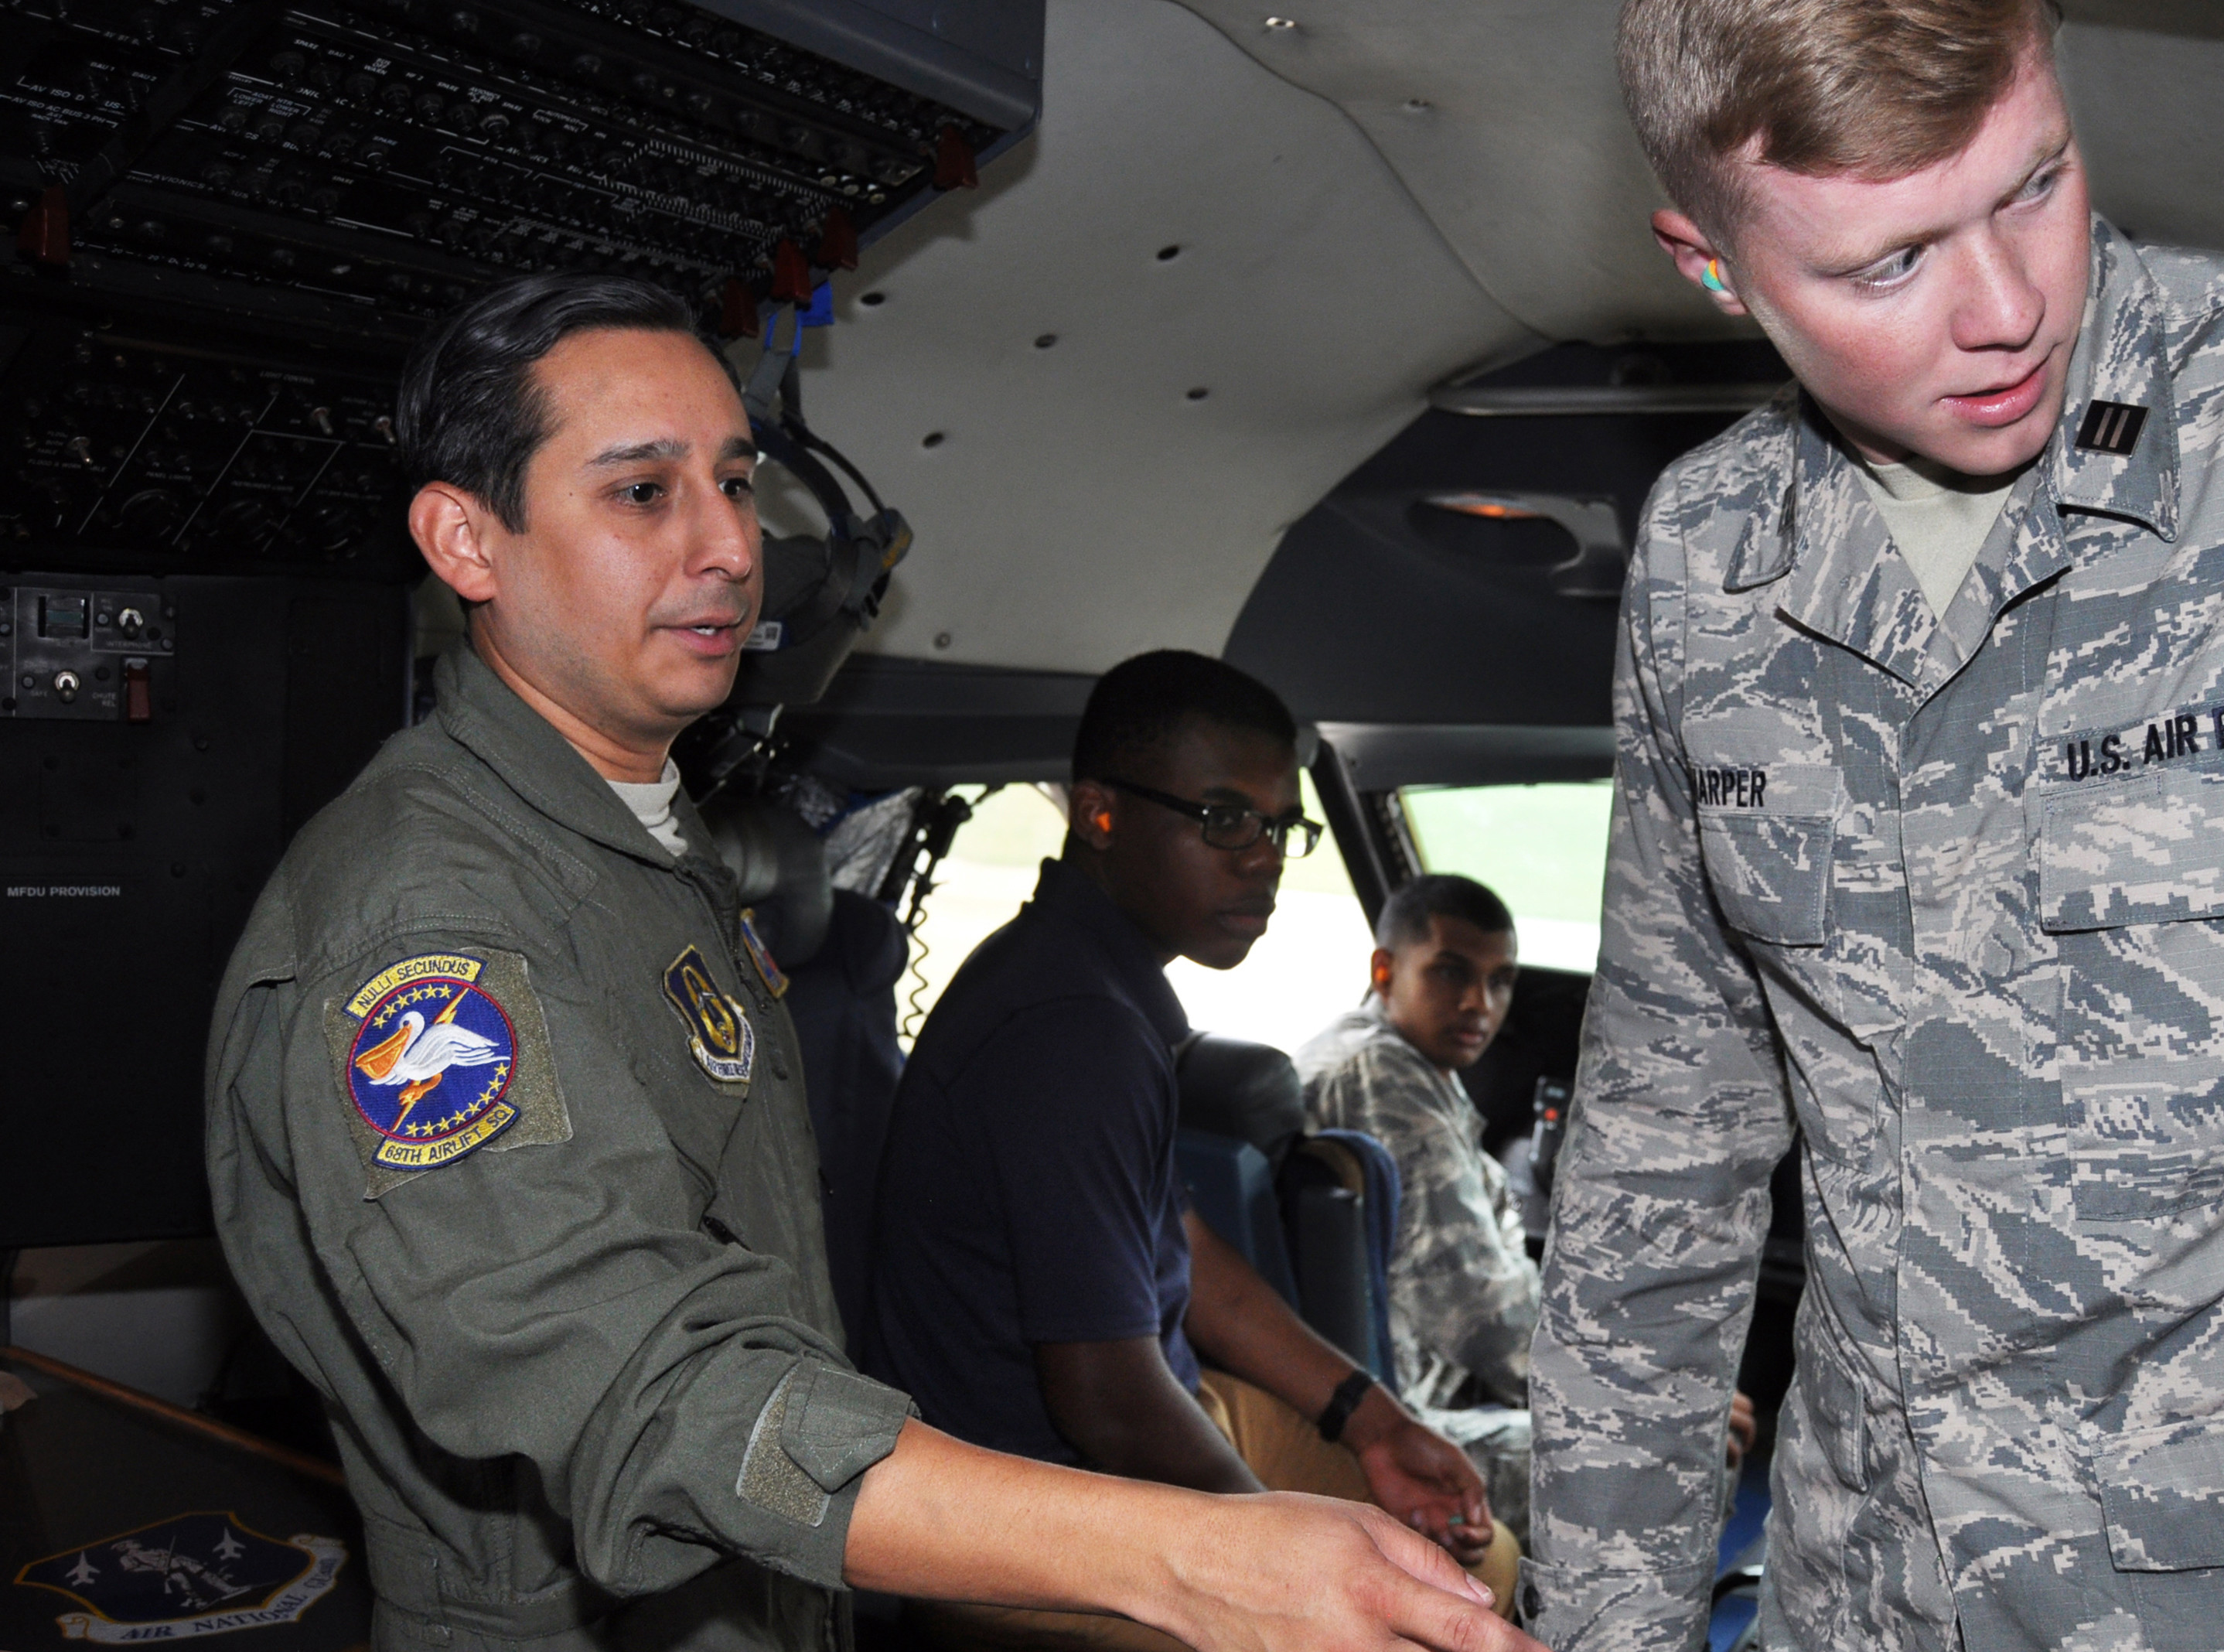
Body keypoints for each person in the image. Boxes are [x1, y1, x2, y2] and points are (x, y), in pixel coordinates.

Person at [203, 272, 1543, 1652]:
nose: (731, 544)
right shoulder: (432, 927)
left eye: (734, 481)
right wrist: (1199, 1557)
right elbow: (646, 1391)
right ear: (467, 542)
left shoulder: (641, 858)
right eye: (644, 493)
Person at [1527, 0, 2224, 1647]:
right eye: (1887, 265)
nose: (2011, 307)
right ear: (1710, 266)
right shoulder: (1708, 562)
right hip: (1877, 1598)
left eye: (2034, 185)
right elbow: (1657, 1172)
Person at [865, 651, 1523, 1647]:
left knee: (1480, 1563)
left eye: (1278, 827)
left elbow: (1185, 1251)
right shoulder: (1072, 1028)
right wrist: (1276, 1557)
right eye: (1224, 820)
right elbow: (1101, 1396)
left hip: (1139, 1428)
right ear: (1099, 813)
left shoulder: (1095, 987)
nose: (1261, 857)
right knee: (1428, 1619)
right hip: (1031, 1514)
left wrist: (1374, 1420)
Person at [1298, 875, 1755, 1533]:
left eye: (1500, 980)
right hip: (1392, 1422)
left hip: (1385, 1385)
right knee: (1682, 1451)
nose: (1479, 1003)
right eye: (1451, 973)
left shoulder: (1365, 1056)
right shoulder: (1384, 1079)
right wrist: (1654, 1388)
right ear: (1384, 969)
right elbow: (1480, 1314)